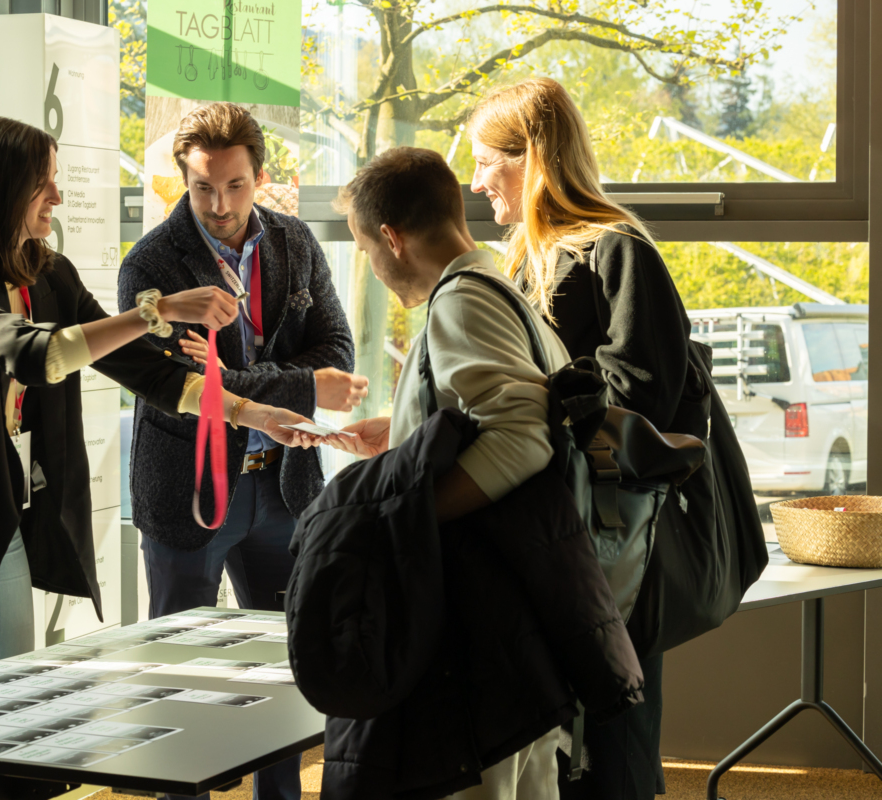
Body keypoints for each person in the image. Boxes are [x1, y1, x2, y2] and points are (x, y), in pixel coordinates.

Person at [0, 116, 312, 800]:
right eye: (43, 184)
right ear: (2, 187)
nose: (57, 197)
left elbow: (146, 372)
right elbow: (35, 355)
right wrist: (158, 311)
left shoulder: (48, 272)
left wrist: (255, 414)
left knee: (18, 721)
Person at [118, 102, 363, 800]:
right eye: (202, 187)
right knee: (180, 677)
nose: (219, 205)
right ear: (183, 180)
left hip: (284, 486)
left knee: (282, 670)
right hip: (190, 491)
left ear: (260, 175)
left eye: (234, 185)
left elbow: (338, 352)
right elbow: (186, 387)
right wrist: (305, 384)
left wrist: (252, 378)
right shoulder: (150, 267)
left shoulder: (294, 242)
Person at [465, 76, 694, 800]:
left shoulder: (615, 249)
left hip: (609, 531)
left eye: (486, 162)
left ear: (531, 158)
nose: (476, 182)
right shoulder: (525, 255)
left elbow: (643, 391)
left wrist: (541, 400)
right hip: (557, 524)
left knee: (615, 721)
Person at [321, 146, 571, 800]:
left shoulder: (460, 304)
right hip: (521, 629)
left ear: (391, 238)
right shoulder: (502, 292)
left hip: (484, 631)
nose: (373, 267)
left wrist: (407, 517)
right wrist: (407, 433)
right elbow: (496, 416)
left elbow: (522, 437)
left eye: (365, 249)